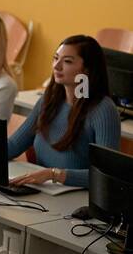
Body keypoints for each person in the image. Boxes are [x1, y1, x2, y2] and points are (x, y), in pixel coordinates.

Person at [7, 36, 121, 187]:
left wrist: (53, 174)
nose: (57, 66)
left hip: (77, 198)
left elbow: (106, 174)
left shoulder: (103, 110)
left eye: (67, 61)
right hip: (45, 191)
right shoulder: (48, 100)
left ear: (87, 69)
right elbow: (15, 144)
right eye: (55, 58)